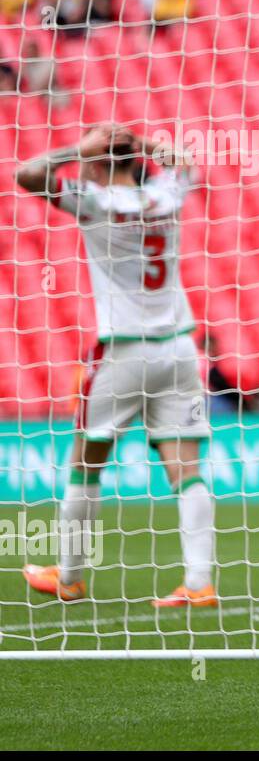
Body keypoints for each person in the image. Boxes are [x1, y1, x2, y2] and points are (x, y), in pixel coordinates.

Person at [16, 124, 217, 607]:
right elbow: (185, 160)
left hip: (123, 352)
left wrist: (77, 149)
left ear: (97, 163)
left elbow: (27, 174)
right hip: (179, 350)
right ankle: (199, 583)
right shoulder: (167, 195)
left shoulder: (94, 201)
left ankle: (69, 577)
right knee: (186, 469)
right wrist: (137, 146)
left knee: (85, 464)